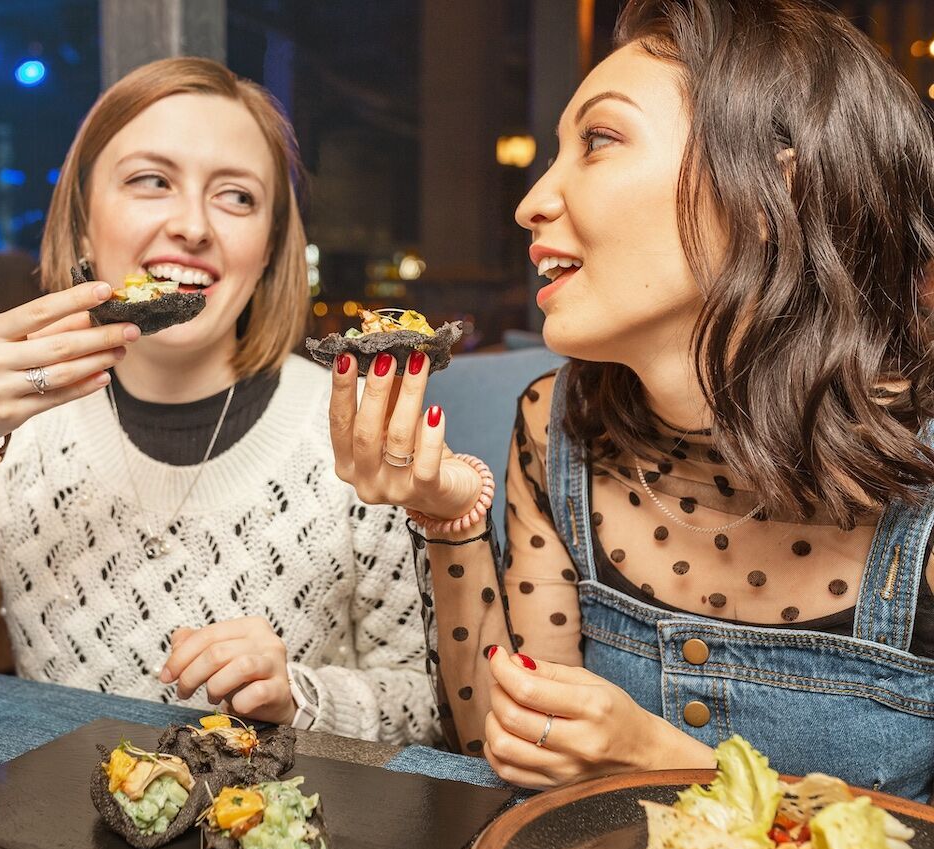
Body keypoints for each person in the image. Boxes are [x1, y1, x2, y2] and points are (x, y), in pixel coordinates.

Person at [330, 0, 934, 799]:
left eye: (600, 141)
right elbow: (506, 750)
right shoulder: (558, 426)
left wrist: (670, 763)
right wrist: (449, 516)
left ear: (770, 196)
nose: (532, 201)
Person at [0, 57, 438, 746]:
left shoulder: (355, 422)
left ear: (271, 248)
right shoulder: (18, 426)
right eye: (151, 181)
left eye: (236, 196)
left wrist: (299, 696)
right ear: (86, 226)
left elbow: (428, 709)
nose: (193, 225)